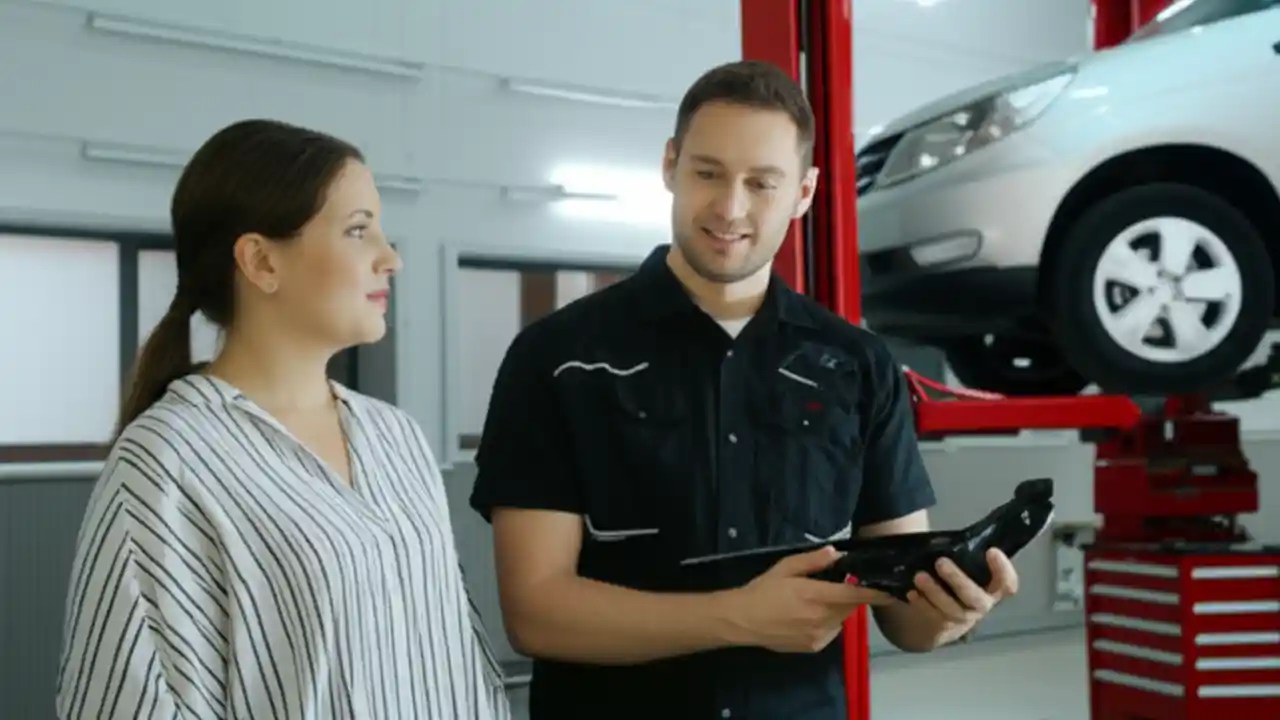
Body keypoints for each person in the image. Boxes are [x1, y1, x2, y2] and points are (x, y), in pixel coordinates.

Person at [469, 60, 1021, 719]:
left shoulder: (856, 365)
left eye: (762, 183)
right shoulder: (558, 358)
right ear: (670, 165)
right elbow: (536, 614)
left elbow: (906, 623)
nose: (730, 208)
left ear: (806, 192)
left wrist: (954, 609)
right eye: (708, 173)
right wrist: (737, 617)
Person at [55, 119, 511, 720]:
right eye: (358, 231)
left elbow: (457, 655)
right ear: (261, 261)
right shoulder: (169, 456)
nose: (391, 259)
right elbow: (125, 697)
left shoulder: (394, 435)